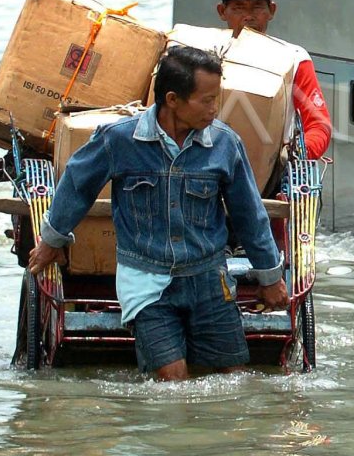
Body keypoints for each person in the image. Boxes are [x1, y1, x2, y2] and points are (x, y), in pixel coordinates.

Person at [28, 46, 289, 380]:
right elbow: (77, 186)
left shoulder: (226, 144)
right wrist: (51, 241)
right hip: (147, 280)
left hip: (208, 278)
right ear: (173, 100)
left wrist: (270, 276)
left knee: (233, 379)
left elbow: (249, 215)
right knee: (171, 382)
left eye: (216, 99)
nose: (215, 109)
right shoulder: (119, 140)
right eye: (207, 100)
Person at [216, 0, 332, 161]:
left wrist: (298, 153)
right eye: (238, 8)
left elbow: (319, 125)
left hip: (274, 173)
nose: (249, 16)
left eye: (257, 7)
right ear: (222, 11)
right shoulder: (201, 55)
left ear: (271, 10)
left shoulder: (294, 59)